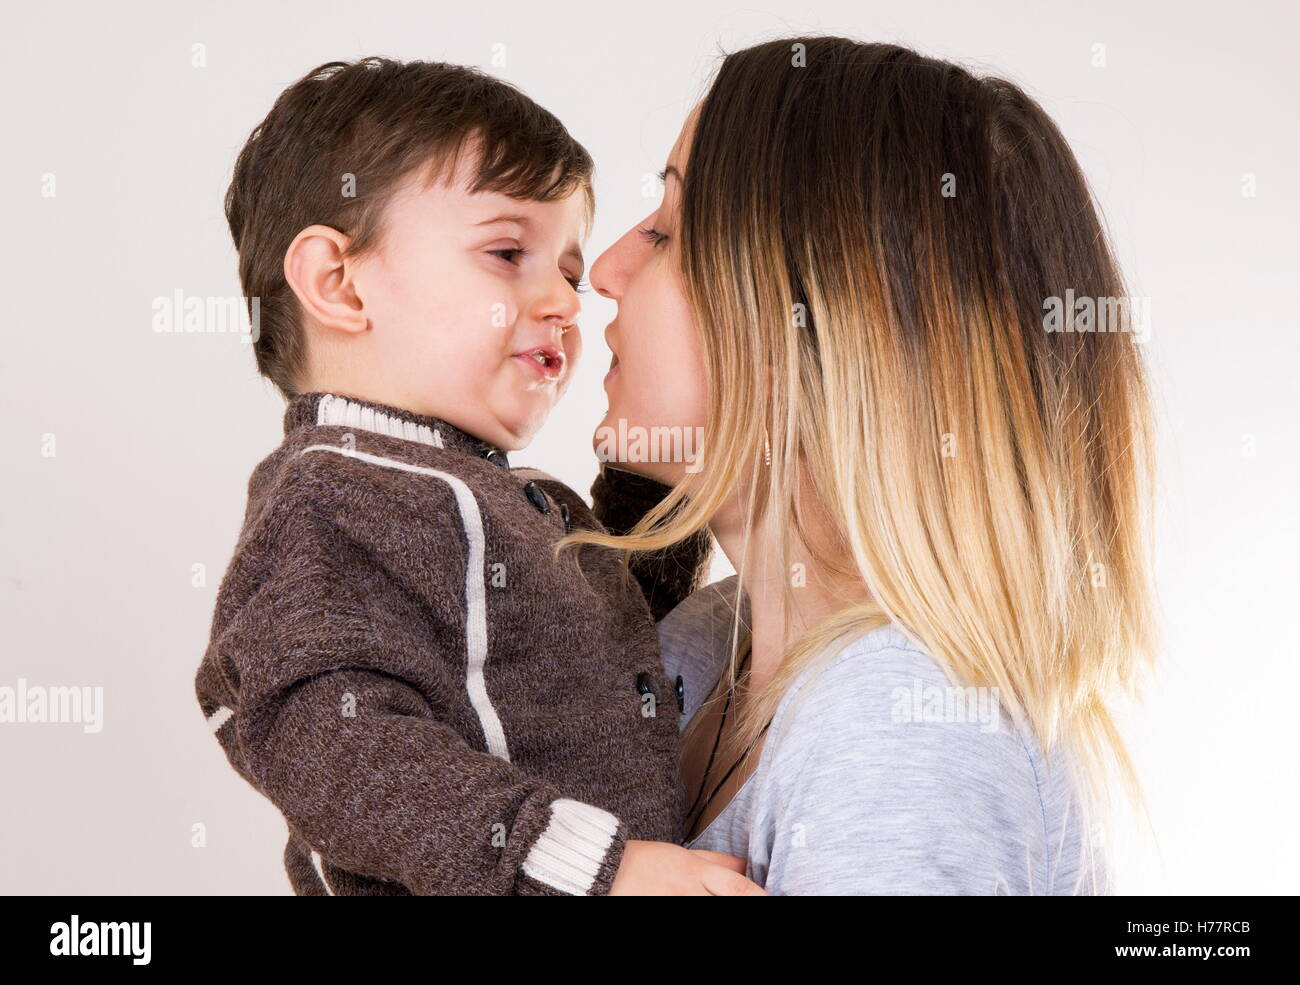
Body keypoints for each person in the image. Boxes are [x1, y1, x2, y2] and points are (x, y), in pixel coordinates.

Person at [561, 37, 1157, 894]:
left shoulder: (896, 722)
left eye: (666, 231)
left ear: (809, 326)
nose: (606, 269)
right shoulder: (702, 644)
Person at [194, 56, 764, 896]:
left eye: (567, 272)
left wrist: (652, 485)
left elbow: (607, 656)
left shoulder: (513, 499)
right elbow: (329, 742)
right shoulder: (329, 498)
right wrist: (592, 866)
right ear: (338, 283)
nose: (568, 302)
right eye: (507, 253)